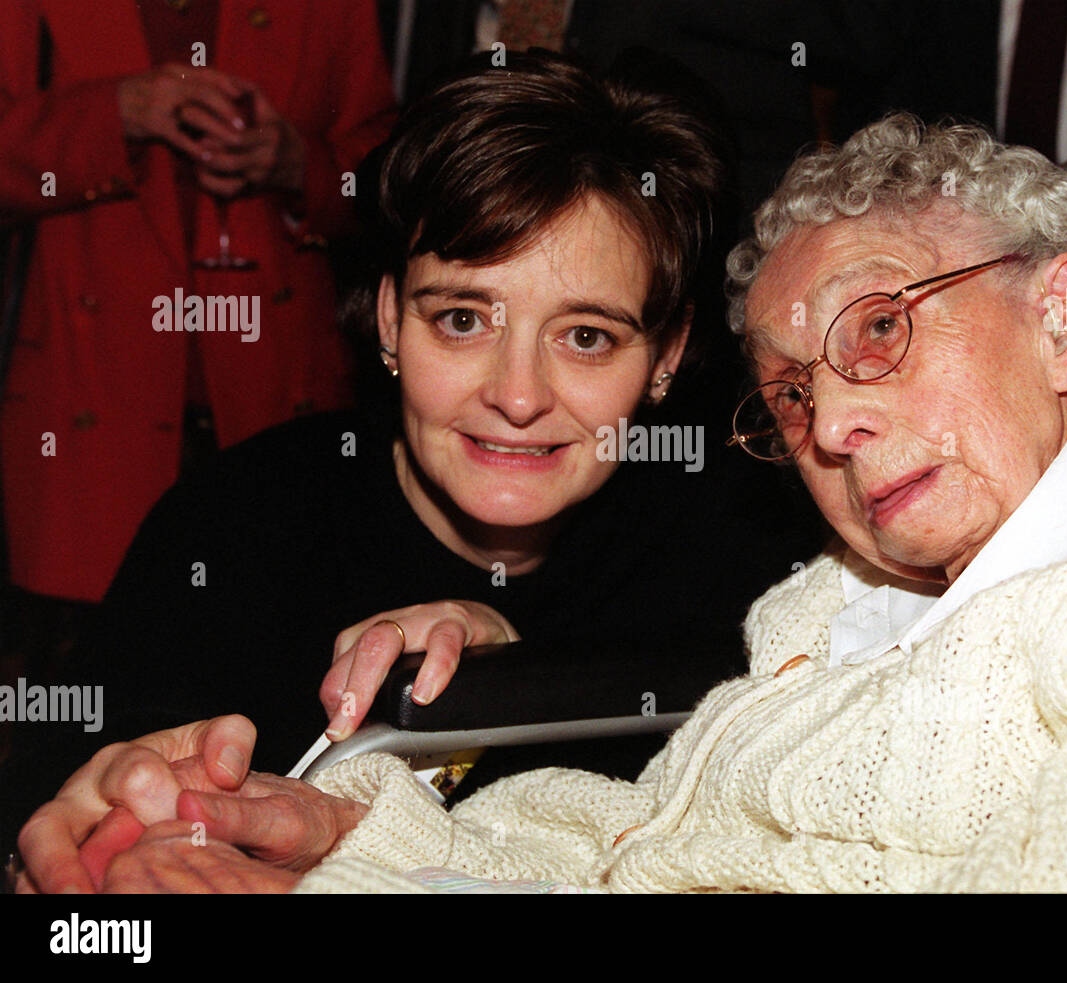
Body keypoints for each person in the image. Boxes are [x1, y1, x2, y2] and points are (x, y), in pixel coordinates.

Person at [19, 113, 1067, 894]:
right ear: (389, 327)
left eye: (880, 330)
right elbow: (654, 830)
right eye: (790, 394)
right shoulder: (838, 587)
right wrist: (348, 827)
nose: (831, 426)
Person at [0, 50, 822, 854]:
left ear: (668, 353)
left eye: (585, 336)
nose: (519, 393)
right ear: (390, 318)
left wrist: (508, 667)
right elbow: (45, 825)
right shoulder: (235, 529)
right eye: (463, 319)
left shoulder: (745, 550)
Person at [0, 0, 398, 606]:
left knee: (271, 667)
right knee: (84, 687)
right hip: (85, 415)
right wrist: (112, 112)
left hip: (275, 408)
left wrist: (298, 164)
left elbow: (386, 173)